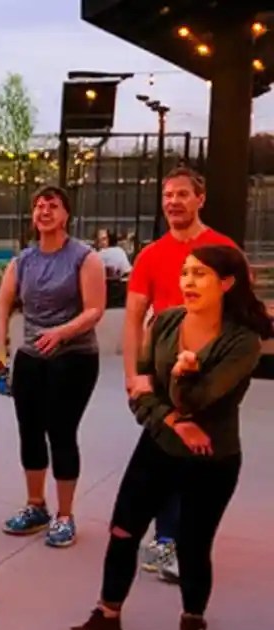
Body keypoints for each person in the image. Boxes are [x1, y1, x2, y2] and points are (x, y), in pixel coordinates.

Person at [62, 244, 271, 630]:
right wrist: (176, 422)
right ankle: (107, 617)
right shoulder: (165, 322)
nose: (188, 283)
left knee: (194, 546)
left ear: (226, 284)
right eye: (185, 273)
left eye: (200, 275)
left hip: (212, 460)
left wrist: (179, 375)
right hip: (158, 447)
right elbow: (139, 394)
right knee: (123, 532)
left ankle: (193, 621)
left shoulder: (242, 342)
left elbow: (196, 399)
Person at [120, 166, 238, 581]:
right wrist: (133, 375)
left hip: (208, 376)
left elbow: (240, 313)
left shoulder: (224, 249)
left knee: (202, 460)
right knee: (165, 452)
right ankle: (166, 540)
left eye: (182, 194)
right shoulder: (151, 255)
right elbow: (134, 317)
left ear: (200, 199)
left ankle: (188, 543)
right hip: (161, 375)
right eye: (168, 195)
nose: (173, 201)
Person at [0, 185, 107, 548]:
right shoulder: (22, 261)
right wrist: (1, 358)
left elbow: (94, 310)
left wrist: (62, 332)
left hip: (74, 357)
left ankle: (65, 515)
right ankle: (35, 505)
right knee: (30, 432)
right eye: (38, 206)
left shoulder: (85, 258)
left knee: (61, 431)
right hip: (32, 357)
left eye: (52, 205)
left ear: (66, 214)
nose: (44, 211)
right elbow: (1, 308)